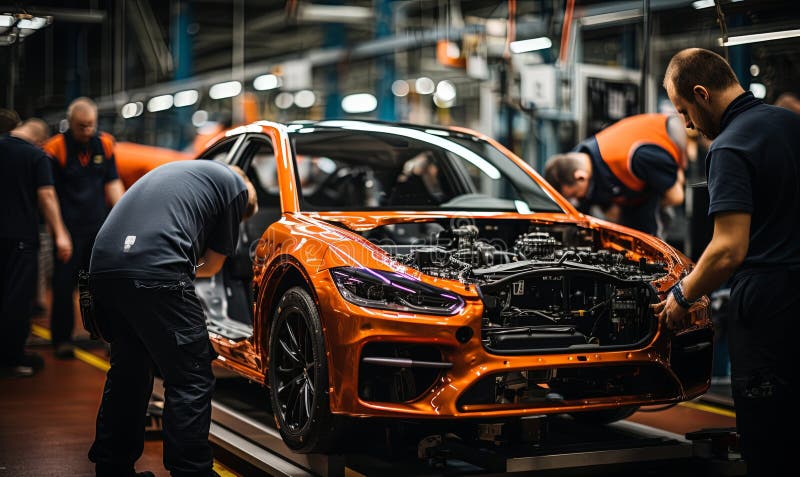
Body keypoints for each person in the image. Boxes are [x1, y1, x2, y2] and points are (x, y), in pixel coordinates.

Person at [655, 47, 800, 476]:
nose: (687, 124)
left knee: (770, 440)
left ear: (702, 94)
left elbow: (728, 250)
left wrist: (682, 296)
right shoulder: (790, 124)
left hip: (770, 309)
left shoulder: (731, 146)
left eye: (684, 111)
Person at [87, 160, 257, 477]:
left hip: (102, 269)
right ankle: (192, 472)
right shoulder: (237, 189)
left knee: (128, 374)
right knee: (190, 376)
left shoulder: (184, 174)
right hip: (157, 272)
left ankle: (113, 469)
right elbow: (213, 266)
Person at [43, 97, 125, 358]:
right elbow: (48, 194)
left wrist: (125, 217)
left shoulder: (105, 144)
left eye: (91, 125)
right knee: (64, 286)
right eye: (82, 126)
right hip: (68, 230)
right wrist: (59, 233)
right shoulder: (55, 148)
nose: (87, 130)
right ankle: (62, 339)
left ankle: (105, 336)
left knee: (101, 285)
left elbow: (113, 183)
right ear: (71, 123)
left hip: (98, 229)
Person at [0, 119, 73, 377]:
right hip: (21, 237)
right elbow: (47, 195)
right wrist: (61, 234)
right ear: (42, 140)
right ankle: (12, 359)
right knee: (17, 300)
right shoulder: (36, 155)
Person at [544, 113, 687, 237]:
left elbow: (676, 197)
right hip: (638, 185)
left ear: (580, 177)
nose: (578, 200)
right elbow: (612, 213)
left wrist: (641, 208)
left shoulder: (633, 158)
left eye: (575, 195)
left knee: (648, 231)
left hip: (671, 152)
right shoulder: (580, 159)